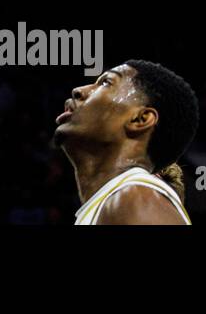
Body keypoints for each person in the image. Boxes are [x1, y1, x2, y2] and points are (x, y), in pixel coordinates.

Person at [53, 60, 198, 225]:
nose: (78, 91)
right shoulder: (117, 202)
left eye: (106, 82)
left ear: (140, 119)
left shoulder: (136, 199)